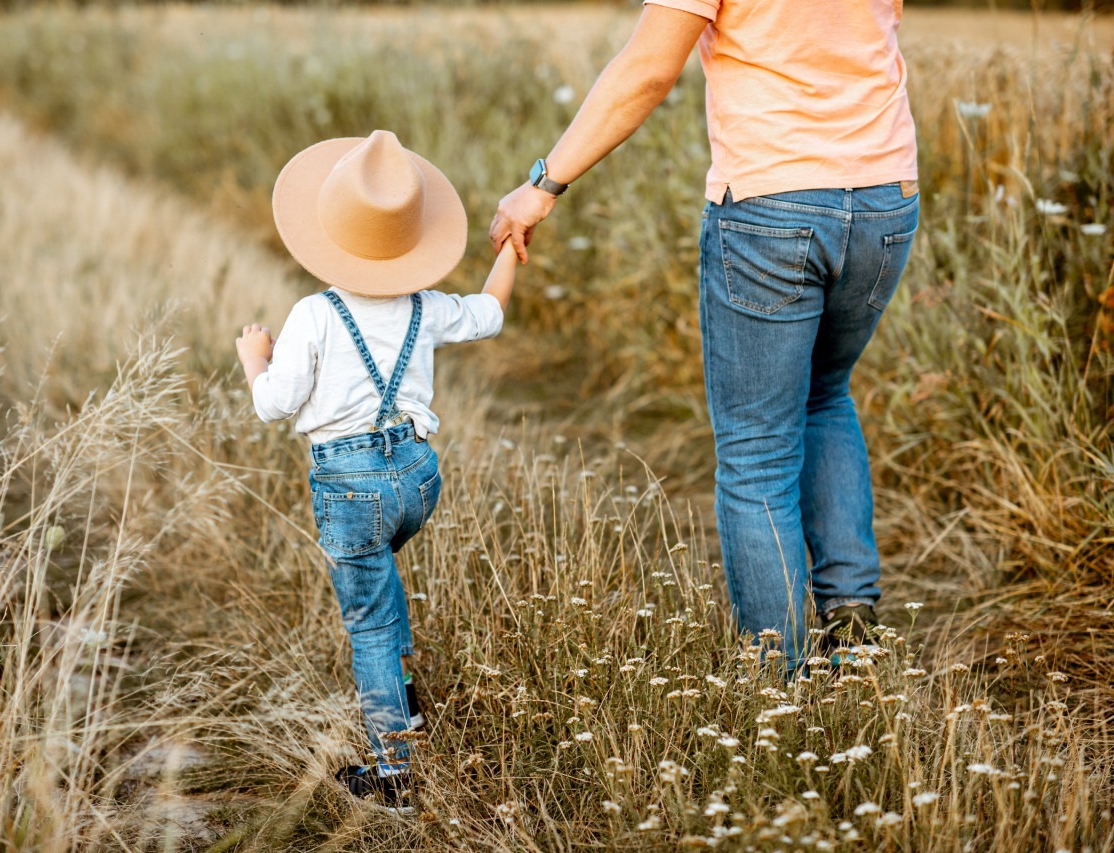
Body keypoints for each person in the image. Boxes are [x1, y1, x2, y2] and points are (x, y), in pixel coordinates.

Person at [490, 0, 920, 666]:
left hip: (773, 204)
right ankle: (854, 634)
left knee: (756, 455)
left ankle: (780, 686)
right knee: (825, 394)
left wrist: (544, 184)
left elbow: (648, 70)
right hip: (885, 197)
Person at [236, 130, 516, 813]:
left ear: (330, 233)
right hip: (418, 477)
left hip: (350, 482)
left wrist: (255, 355)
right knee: (382, 583)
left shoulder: (314, 315)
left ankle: (394, 774)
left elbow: (274, 404)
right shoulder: (423, 305)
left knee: (367, 619)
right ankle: (406, 697)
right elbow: (490, 313)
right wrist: (512, 247)